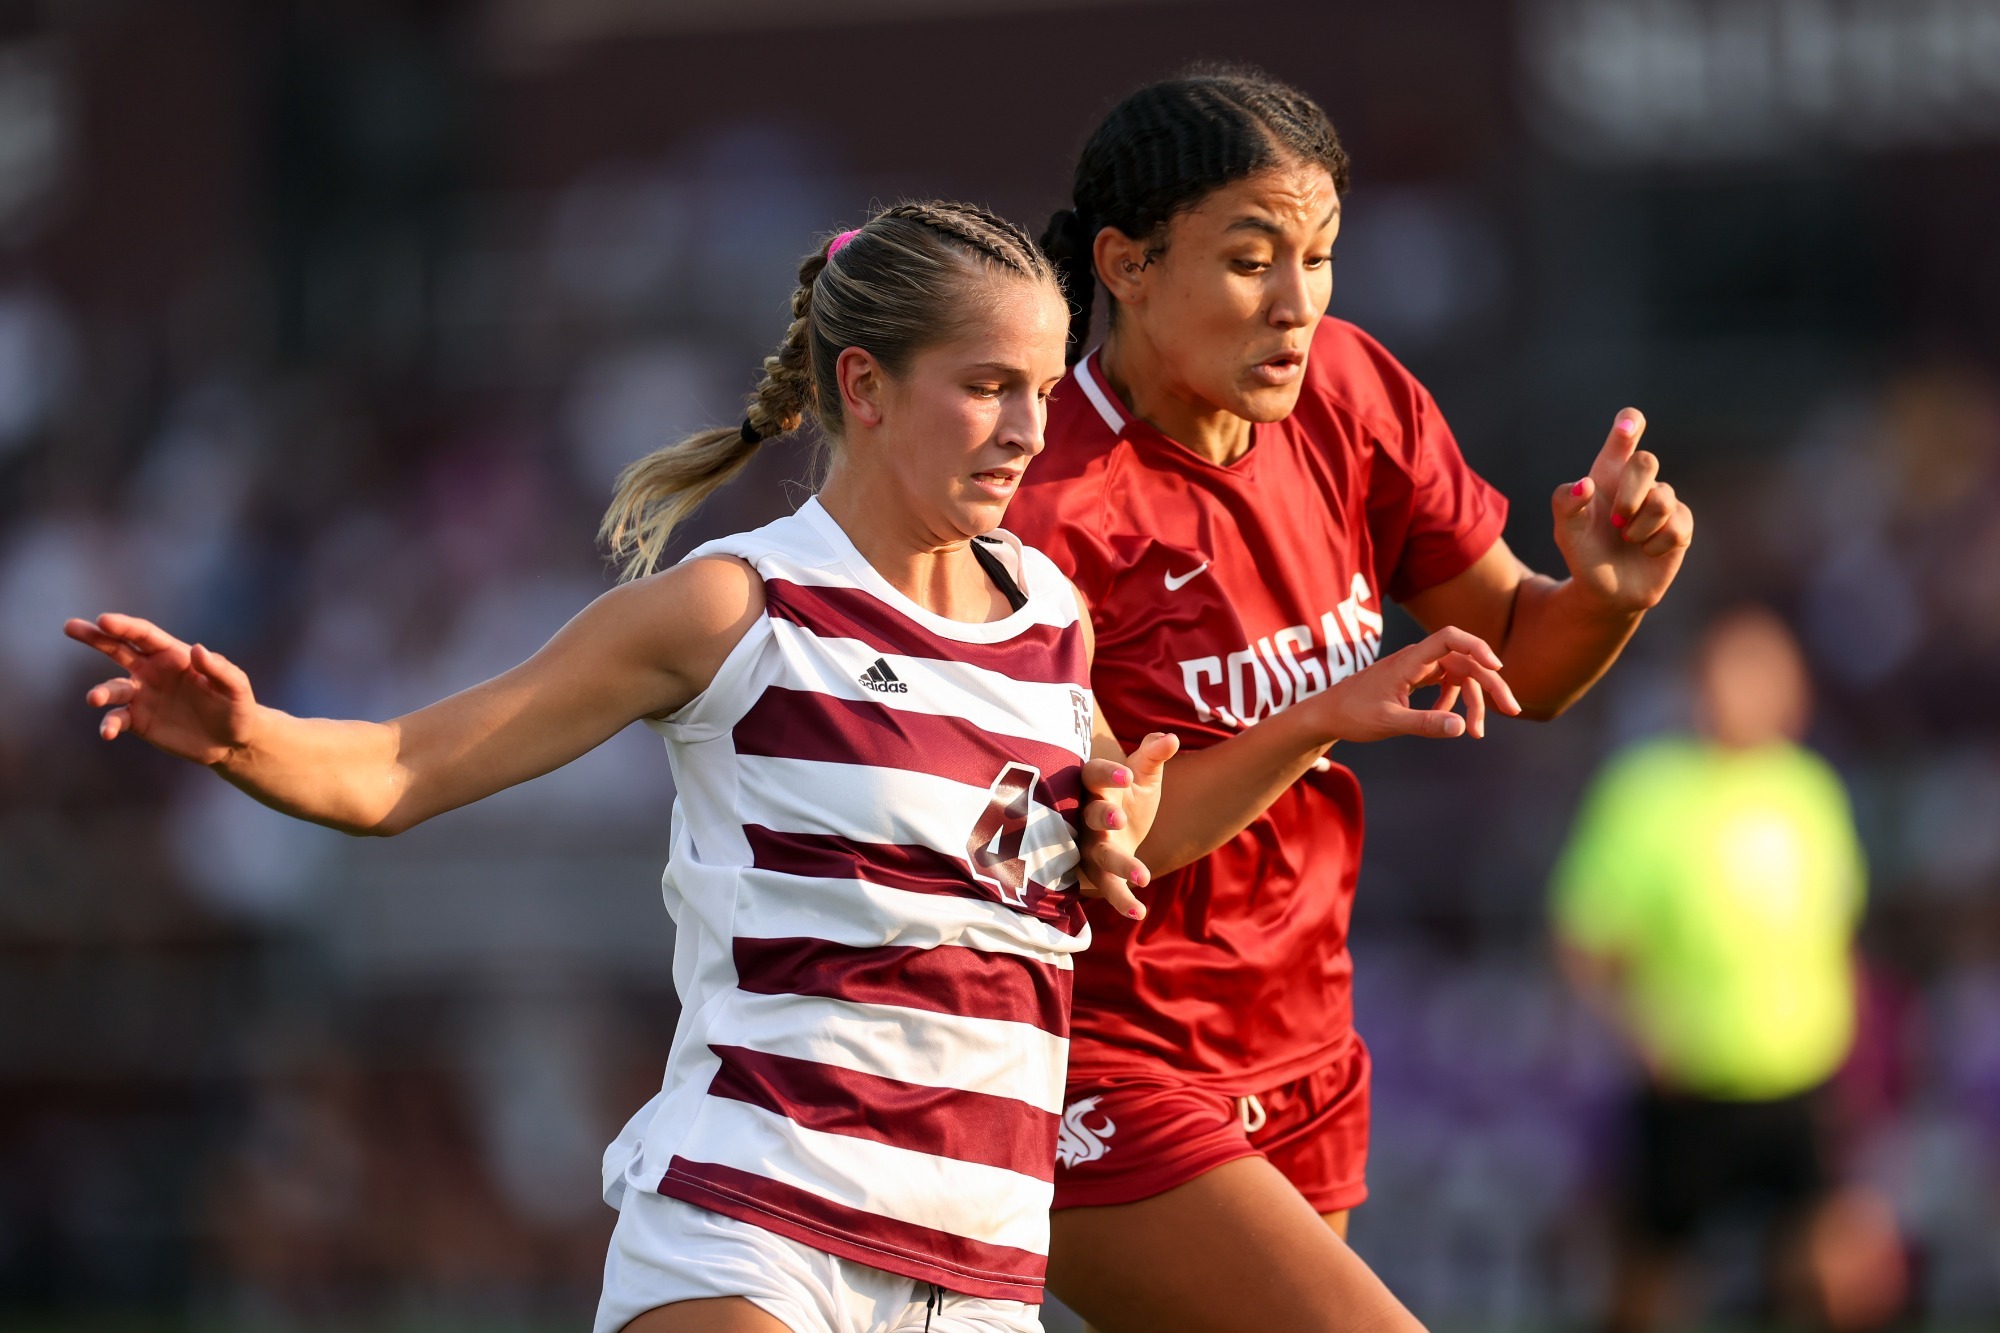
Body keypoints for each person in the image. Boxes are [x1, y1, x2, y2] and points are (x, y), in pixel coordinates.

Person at [65, 202, 1192, 1333]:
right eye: (988, 386)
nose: (1027, 430)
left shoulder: (1052, 615)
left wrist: (1124, 813)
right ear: (864, 385)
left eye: (1044, 390)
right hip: (760, 1227)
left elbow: (1098, 810)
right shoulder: (739, 606)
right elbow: (401, 768)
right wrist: (244, 738)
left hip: (984, 1268)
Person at [1002, 68, 1696, 1332]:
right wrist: (1321, 716)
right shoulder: (1044, 502)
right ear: (1125, 264)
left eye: (1317, 256)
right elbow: (1120, 843)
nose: (1295, 303)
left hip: (1303, 1033)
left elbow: (1519, 658)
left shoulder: (1348, 391)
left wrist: (1604, 595)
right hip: (1100, 1051)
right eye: (1248, 260)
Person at [1552, 606, 1904, 1333]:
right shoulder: (1647, 793)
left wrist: (1860, 1050)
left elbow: (1836, 933)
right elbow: (1585, 937)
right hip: (1690, 1082)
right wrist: (1638, 1033)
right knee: (1652, 1279)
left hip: (1801, 1076)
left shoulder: (1811, 792)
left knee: (1835, 1272)